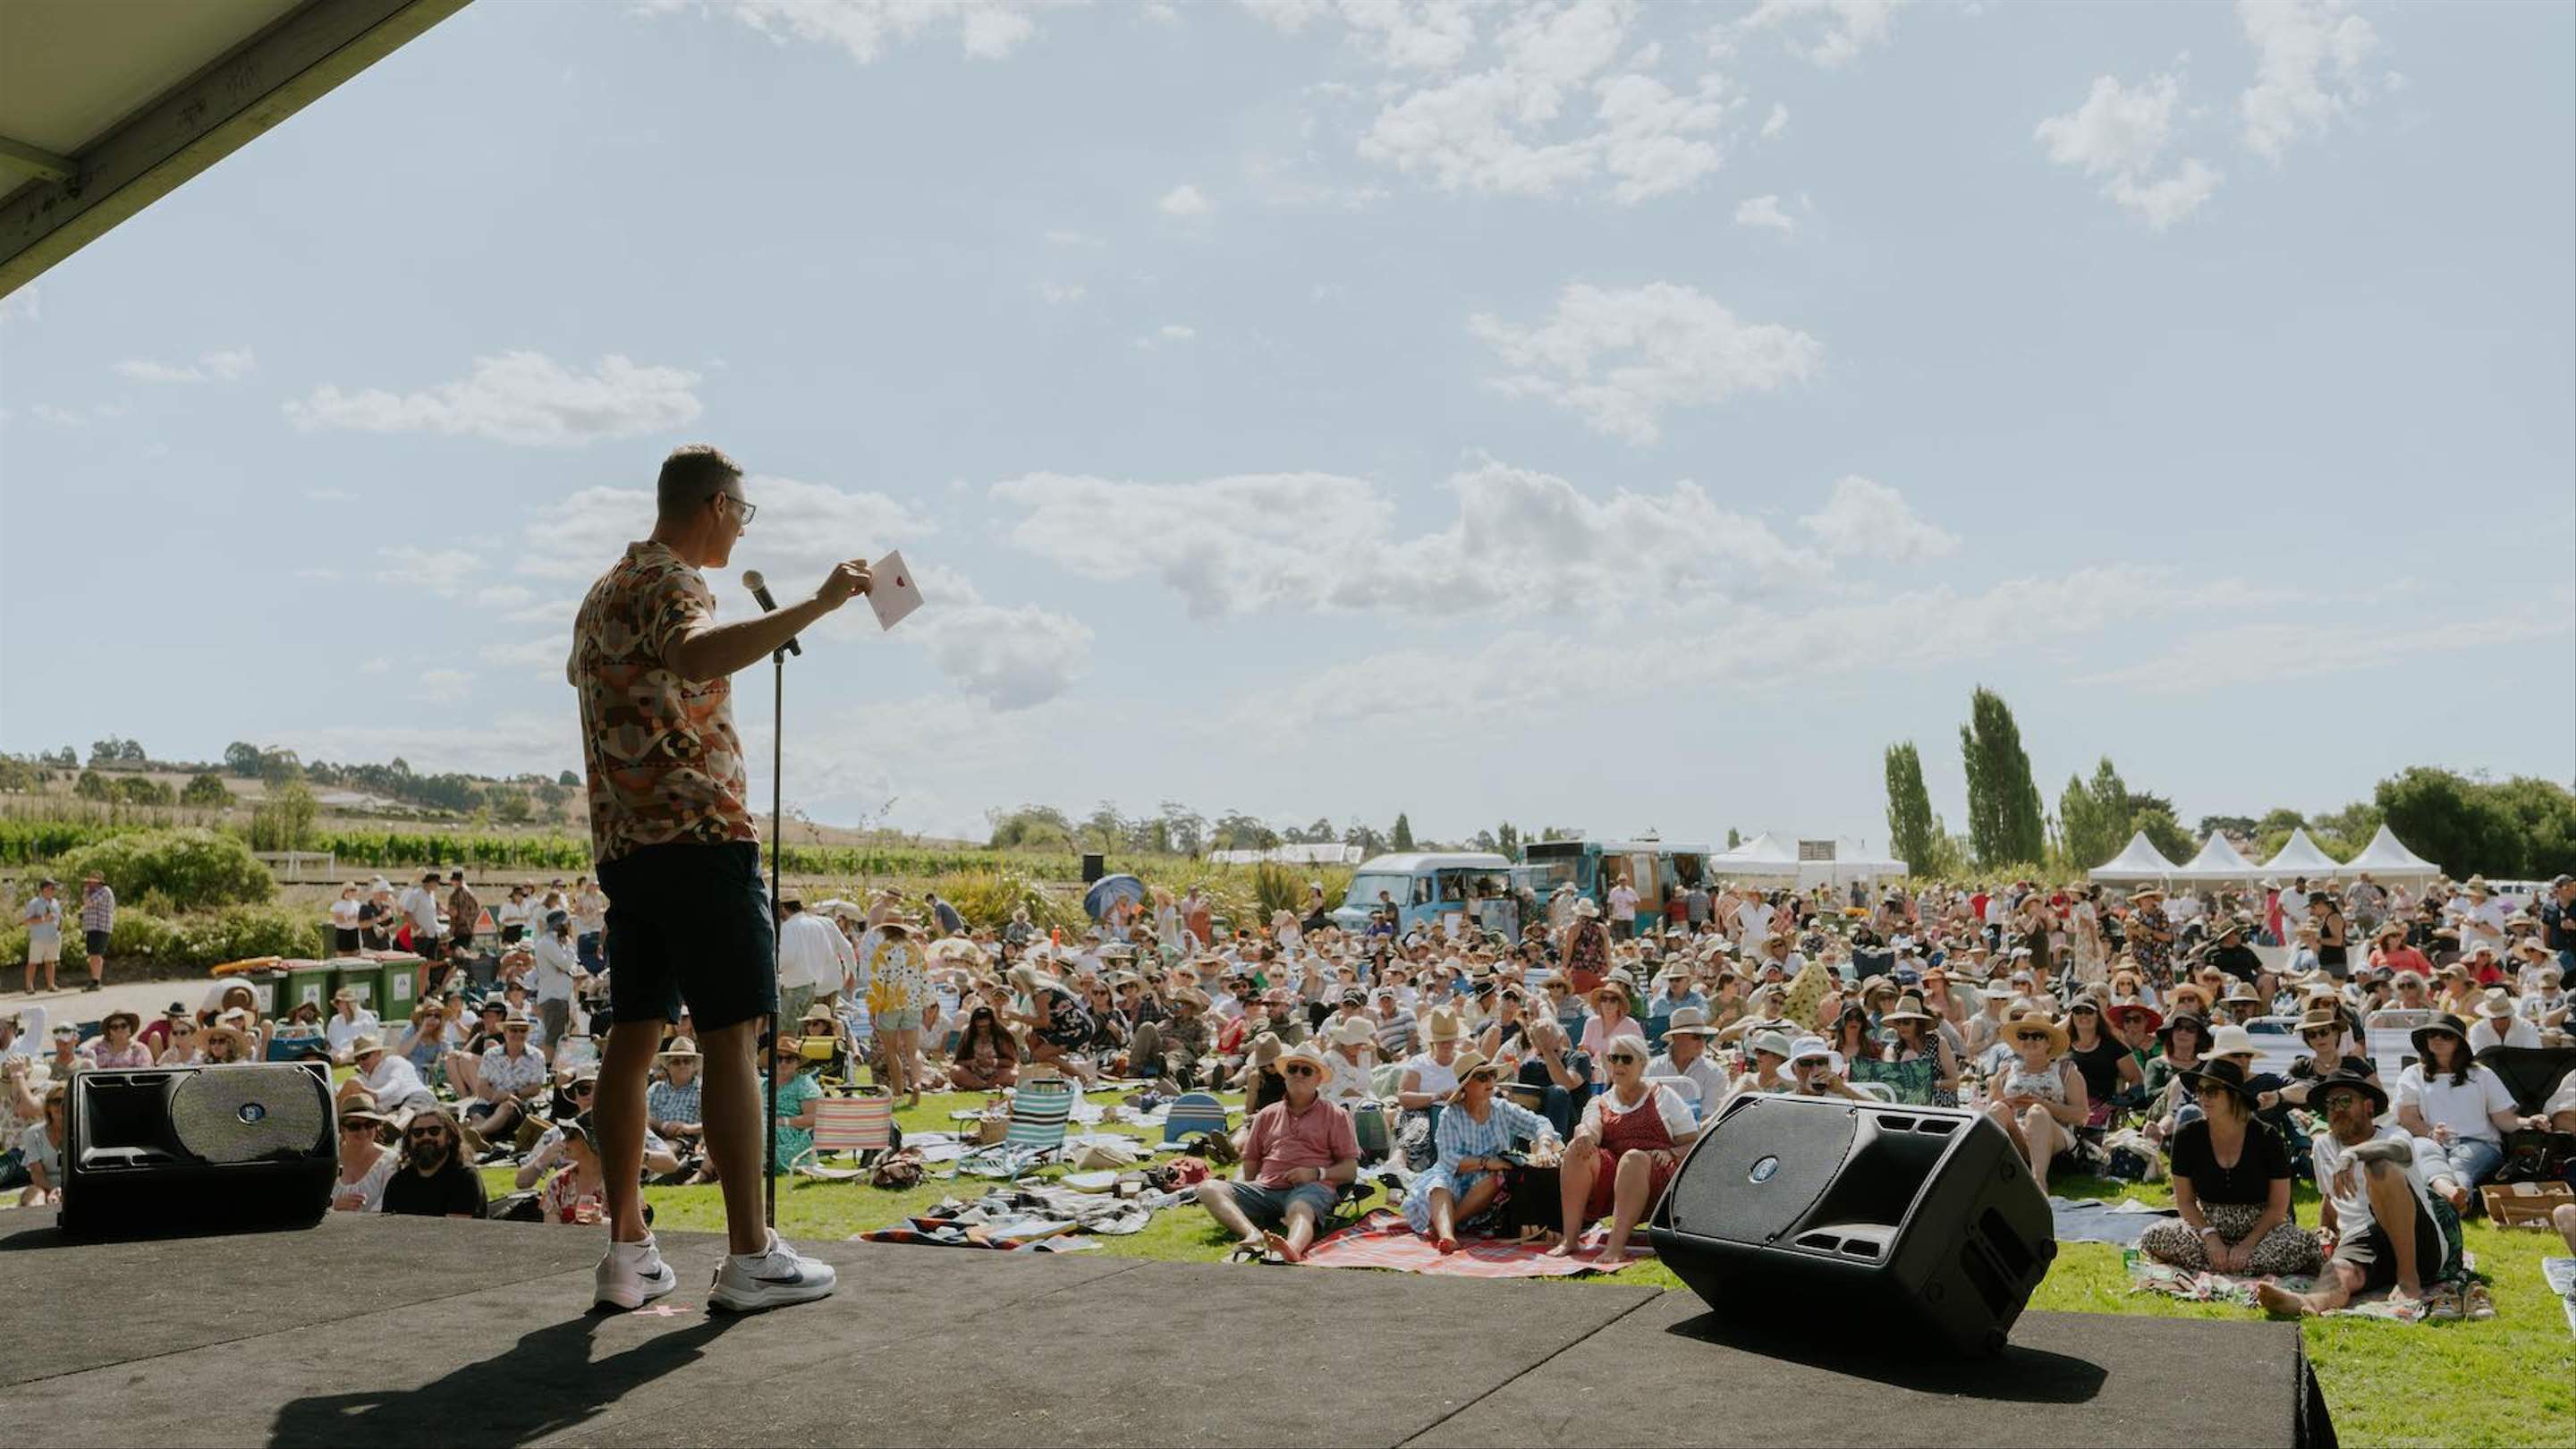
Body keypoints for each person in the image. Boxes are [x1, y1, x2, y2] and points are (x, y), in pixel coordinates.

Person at [569, 447, 854, 1313]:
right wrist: (821, 602)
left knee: (635, 1033)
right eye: (743, 510)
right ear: (713, 505)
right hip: (697, 834)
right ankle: (750, 1255)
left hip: (627, 843)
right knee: (734, 1036)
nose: (742, 524)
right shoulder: (673, 582)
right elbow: (695, 658)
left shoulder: (603, 591)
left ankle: (628, 1252)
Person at [2258, 1074, 2447, 1318]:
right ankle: (2307, 1303)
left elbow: (2399, 1151)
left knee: (2378, 1167)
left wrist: (2354, 1154)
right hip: (2362, 1238)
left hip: (2418, 1241)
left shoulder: (2394, 1135)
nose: (2336, 1109)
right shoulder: (2323, 1146)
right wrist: (2325, 1229)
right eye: (2330, 1104)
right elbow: (2331, 1197)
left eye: (2344, 1101)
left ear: (2368, 1107)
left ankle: (2408, 1279)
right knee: (2337, 1271)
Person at [2136, 1059, 2322, 1276]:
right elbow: (2185, 1202)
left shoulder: (2266, 1136)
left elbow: (2278, 1208)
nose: (2203, 1097)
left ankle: (2221, 1266)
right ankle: (2231, 1265)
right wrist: (2210, 1236)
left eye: (2212, 1091)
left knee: (2303, 1242)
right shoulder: (2187, 1135)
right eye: (2200, 1090)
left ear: (2234, 1095)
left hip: (2262, 1229)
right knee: (2154, 1235)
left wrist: (2248, 1245)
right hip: (2208, 1224)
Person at [1195, 1042, 1360, 1264]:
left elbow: (1350, 1170)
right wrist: (1250, 1192)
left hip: (1311, 1188)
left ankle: (1292, 1248)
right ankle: (1251, 1234)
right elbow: (1252, 1160)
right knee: (1208, 1187)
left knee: (1300, 1208)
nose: (1298, 1075)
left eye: (1306, 1070)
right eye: (1292, 1069)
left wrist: (1315, 1173)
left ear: (1318, 1078)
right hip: (1266, 1187)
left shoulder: (1336, 1115)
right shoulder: (1266, 1114)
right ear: (1285, 1075)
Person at [1549, 1037, 1697, 1260]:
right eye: (1613, 1058)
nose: (1618, 1065)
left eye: (1626, 1059)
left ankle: (1615, 1247)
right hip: (1614, 1183)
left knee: (1633, 1159)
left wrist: (1671, 1153)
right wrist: (1584, 1136)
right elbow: (1591, 1128)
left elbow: (1695, 1142)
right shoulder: (1600, 1101)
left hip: (1659, 1181)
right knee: (1575, 1150)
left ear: (1642, 1063)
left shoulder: (1663, 1097)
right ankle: (1570, 1239)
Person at [1404, 1049, 1558, 1253]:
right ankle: (1447, 1236)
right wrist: (1485, 1162)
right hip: (1455, 1174)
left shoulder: (1502, 1108)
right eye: (1482, 1077)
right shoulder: (1451, 1114)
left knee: (1494, 1178)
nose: (1490, 1081)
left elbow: (1539, 1122)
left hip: (1487, 1182)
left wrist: (1545, 1145)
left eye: (1492, 1075)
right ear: (1466, 1086)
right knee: (1439, 1184)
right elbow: (1448, 1158)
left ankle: (1444, 1225)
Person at [2395, 1013, 2544, 1211]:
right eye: (2432, 1034)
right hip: (2430, 1138)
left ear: (2459, 1042)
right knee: (2424, 1150)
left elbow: (2504, 1119)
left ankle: (2450, 1201)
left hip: (2479, 1142)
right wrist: (2431, 1133)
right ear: (2425, 1039)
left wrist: (2529, 1122)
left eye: (2446, 1035)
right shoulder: (2412, 1074)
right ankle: (2454, 1198)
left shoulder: (2481, 1074)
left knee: (2459, 1163)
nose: (2438, 1039)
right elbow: (2408, 1118)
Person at [1986, 1010, 2087, 1185]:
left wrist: (2044, 1104)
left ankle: (2039, 1182)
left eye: (2037, 1036)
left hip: (2054, 1133)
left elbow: (2082, 1116)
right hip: (2017, 1132)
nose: (2029, 1040)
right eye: (2023, 1035)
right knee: (1997, 1109)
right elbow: (1991, 1112)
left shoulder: (2065, 1071)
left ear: (2049, 1042)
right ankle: (1988, 1178)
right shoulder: (2006, 1070)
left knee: (2037, 1113)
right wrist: (2004, 1100)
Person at [380, 1105, 487, 1218]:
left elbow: (456, 1231)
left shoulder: (465, 1177)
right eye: (418, 1132)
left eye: (434, 1131)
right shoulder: (398, 1182)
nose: (426, 1137)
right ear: (410, 1140)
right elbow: (385, 1226)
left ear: (449, 1137)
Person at [777, 895, 856, 1029]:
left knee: (802, 1030)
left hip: (804, 984)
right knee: (826, 1028)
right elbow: (845, 949)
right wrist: (852, 974)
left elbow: (786, 958)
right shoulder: (826, 923)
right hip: (829, 984)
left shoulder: (791, 927)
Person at [1645, 1006, 1726, 1104]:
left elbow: (1710, 1113)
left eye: (1704, 1037)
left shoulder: (1714, 1073)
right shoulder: (1653, 1069)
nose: (1702, 1042)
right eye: (1696, 1037)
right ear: (1677, 1037)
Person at [333, 1101, 400, 1213]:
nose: (363, 1132)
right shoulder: (329, 1159)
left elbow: (386, 1204)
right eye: (355, 1126)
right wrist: (335, 1206)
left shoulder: (390, 1161)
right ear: (343, 1129)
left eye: (369, 1125)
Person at [945, 1004, 1021, 1091]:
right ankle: (982, 1085)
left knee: (1013, 1074)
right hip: (973, 1074)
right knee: (955, 1071)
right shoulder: (968, 1035)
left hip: (998, 1073)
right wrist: (972, 1063)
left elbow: (1011, 1062)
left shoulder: (1002, 1035)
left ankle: (987, 1085)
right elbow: (958, 1062)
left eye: (987, 1027)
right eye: (980, 1027)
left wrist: (993, 1062)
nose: (983, 1030)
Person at [16, 1084, 65, 1208]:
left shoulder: (84, 1132)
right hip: (44, 1185)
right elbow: (36, 1173)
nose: (61, 1105)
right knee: (34, 1196)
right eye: (57, 1101)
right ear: (48, 1106)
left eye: (66, 1101)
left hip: (77, 1186)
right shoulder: (33, 1133)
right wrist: (53, 1190)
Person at [21, 877, 62, 994]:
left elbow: (59, 917)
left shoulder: (55, 902)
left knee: (50, 961)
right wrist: (44, 918)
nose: (54, 890)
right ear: (44, 889)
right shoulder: (34, 903)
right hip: (38, 938)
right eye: (52, 888)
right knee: (33, 962)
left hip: (53, 937)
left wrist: (59, 929)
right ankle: (29, 987)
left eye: (54, 888)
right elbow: (27, 921)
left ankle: (51, 985)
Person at [77, 871, 113, 992]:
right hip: (93, 928)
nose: (89, 884)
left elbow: (88, 902)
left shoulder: (104, 890)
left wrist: (86, 892)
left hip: (100, 927)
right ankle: (94, 980)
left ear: (99, 882)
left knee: (96, 954)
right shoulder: (94, 892)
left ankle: (96, 981)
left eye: (91, 882)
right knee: (93, 954)